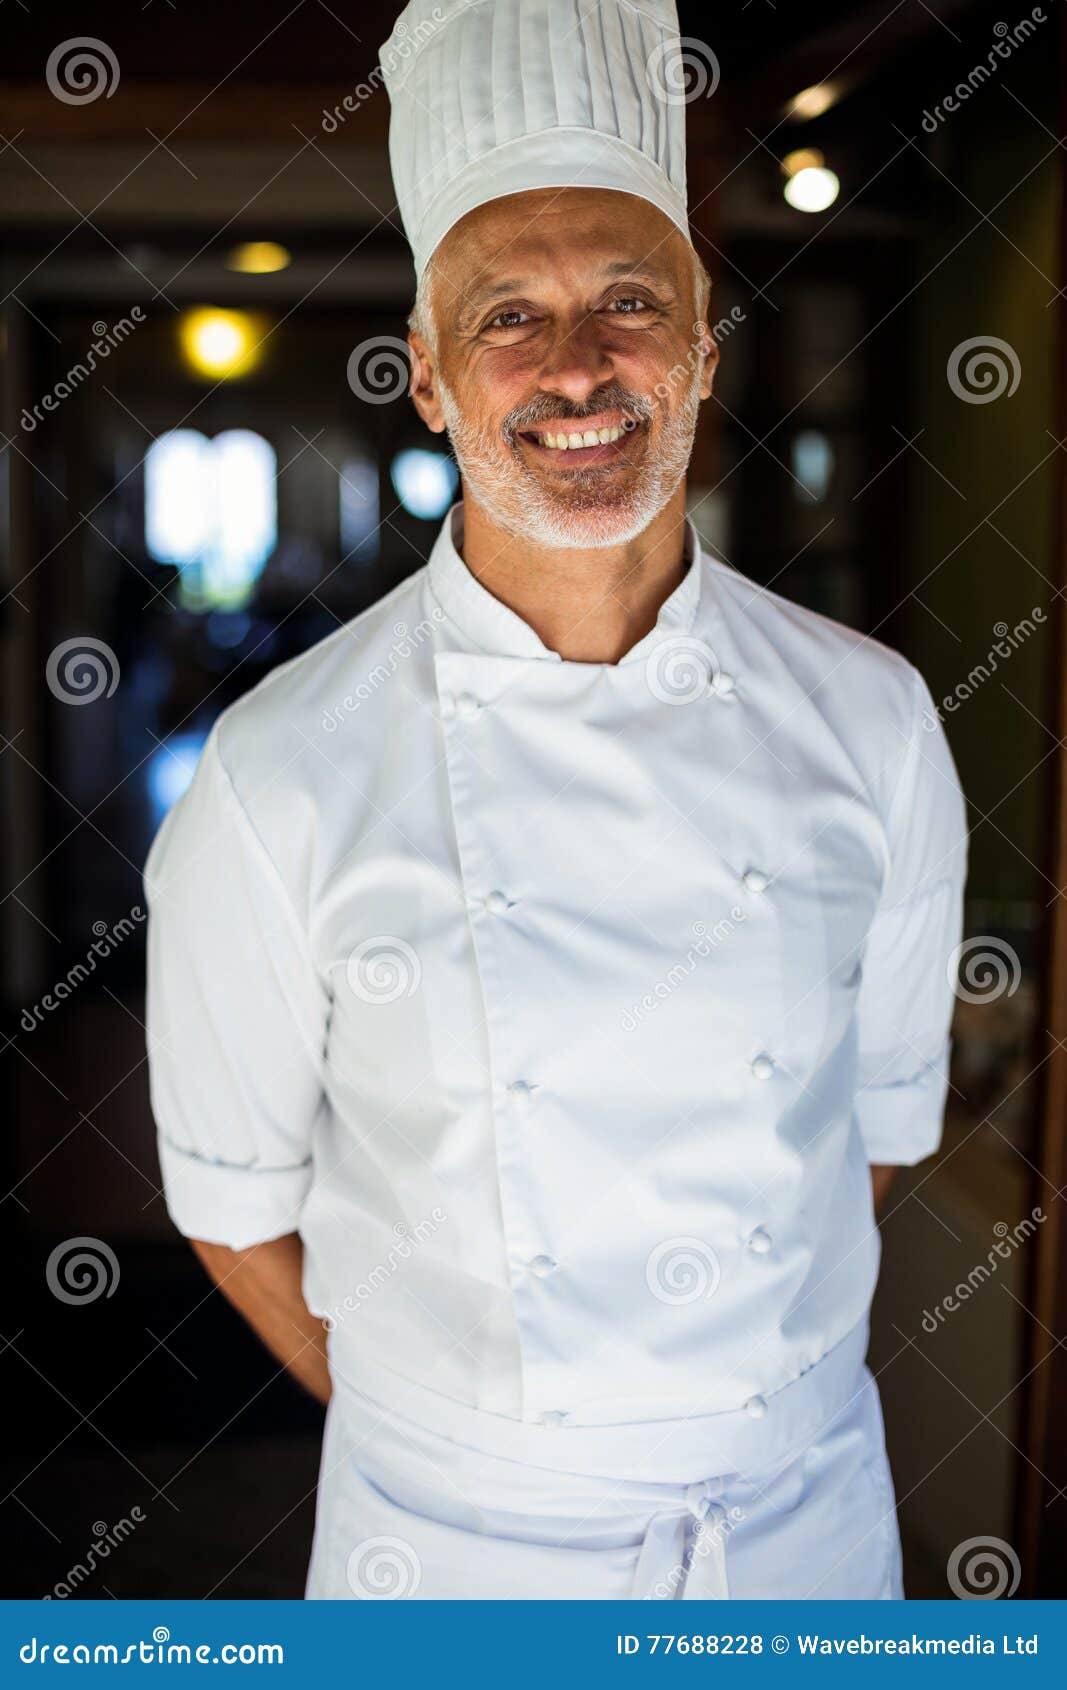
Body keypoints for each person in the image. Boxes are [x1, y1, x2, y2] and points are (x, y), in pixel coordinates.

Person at [144, 0, 968, 1601]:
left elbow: (866, 1131)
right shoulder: (281, 768)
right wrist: (469, 1446)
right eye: (507, 314)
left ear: (706, 348)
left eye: (631, 298)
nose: (580, 364)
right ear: (435, 382)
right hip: (452, 1559)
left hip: (803, 1530)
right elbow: (235, 1211)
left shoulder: (873, 721)